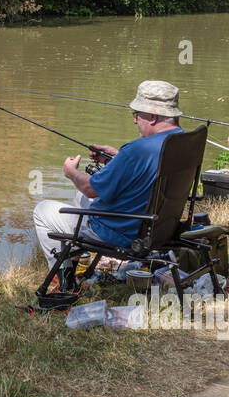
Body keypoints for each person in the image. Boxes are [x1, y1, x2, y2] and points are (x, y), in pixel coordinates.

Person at [33, 80, 184, 266]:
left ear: (152, 116)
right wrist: (118, 158)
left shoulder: (136, 150)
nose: (135, 120)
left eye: (137, 114)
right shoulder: (182, 142)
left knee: (42, 210)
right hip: (160, 229)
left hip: (120, 234)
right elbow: (153, 166)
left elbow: (90, 189)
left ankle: (63, 278)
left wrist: (71, 173)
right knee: (78, 196)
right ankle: (75, 256)